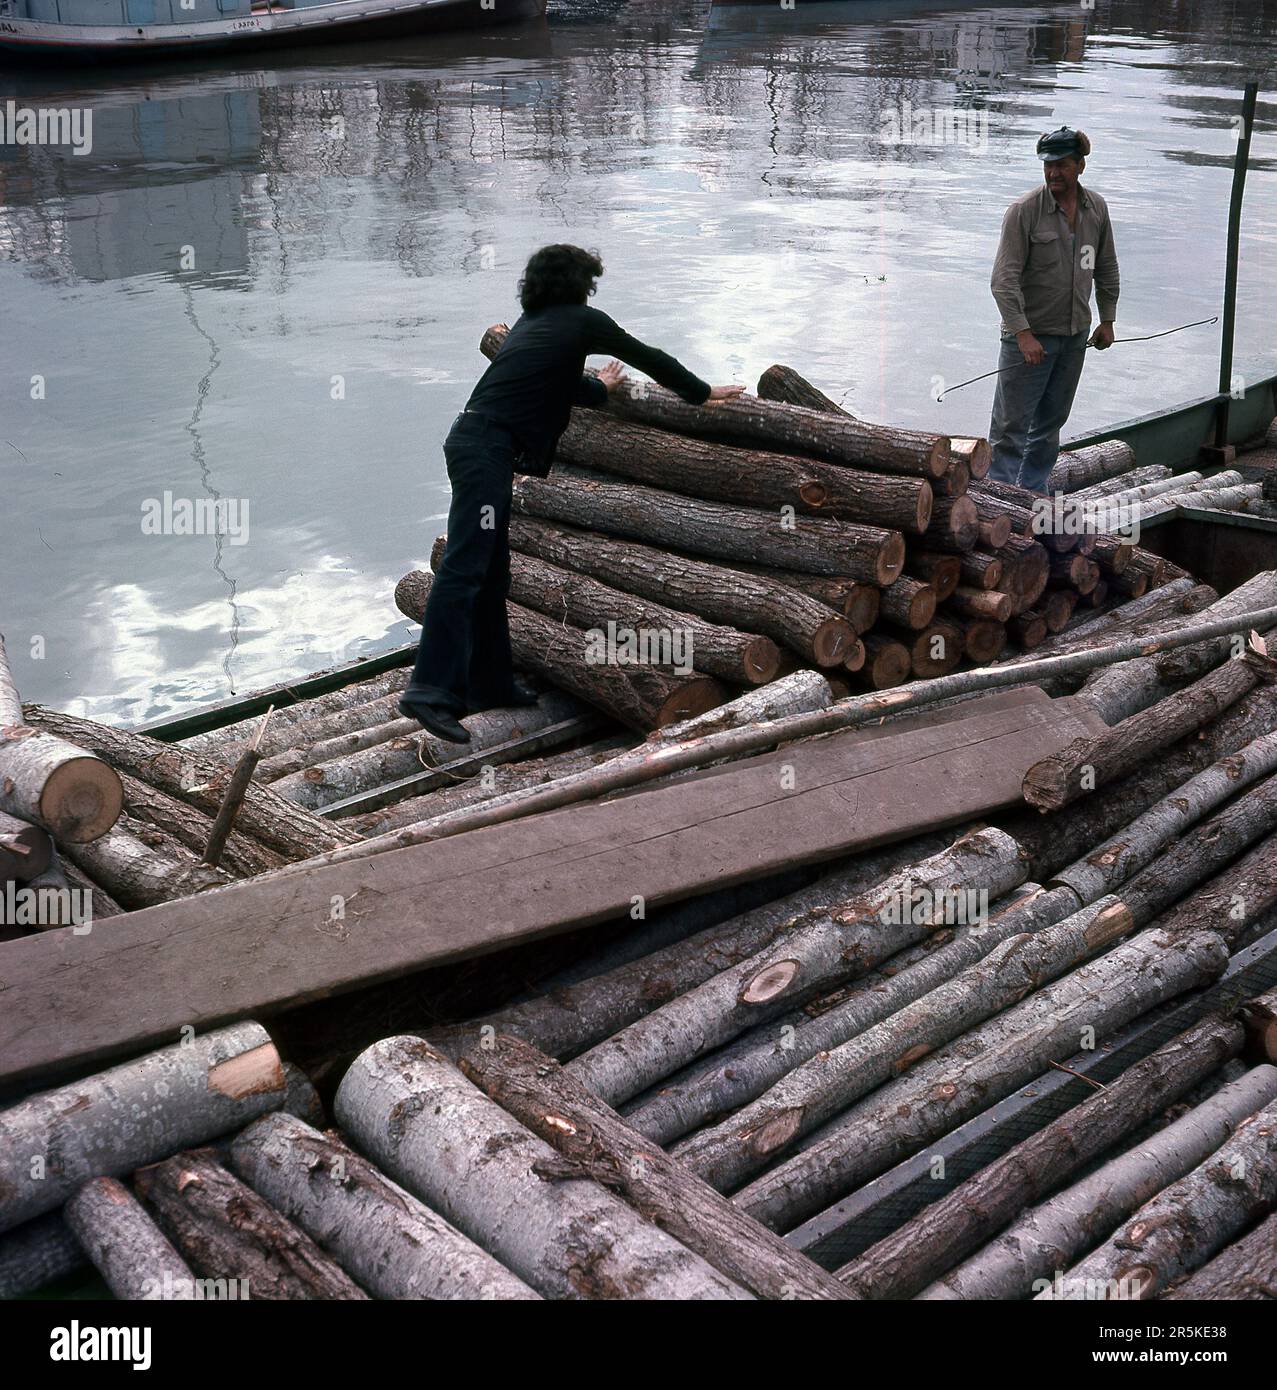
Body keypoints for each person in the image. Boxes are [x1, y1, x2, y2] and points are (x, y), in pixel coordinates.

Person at [400, 243, 744, 743]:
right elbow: (649, 357)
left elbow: (561, 383)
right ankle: (428, 692)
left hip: (476, 444)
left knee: (492, 572)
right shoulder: (583, 320)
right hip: (485, 451)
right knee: (465, 567)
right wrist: (702, 391)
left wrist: (600, 387)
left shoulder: (533, 323)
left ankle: (489, 683)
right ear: (582, 283)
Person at [988, 127, 1120, 494]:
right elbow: (1003, 280)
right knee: (1009, 430)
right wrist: (1023, 333)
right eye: (1048, 165)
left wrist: (1107, 319)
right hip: (1028, 341)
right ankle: (998, 500)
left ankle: (1032, 496)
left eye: (1061, 165)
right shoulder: (1023, 212)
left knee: (1049, 426)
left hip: (1075, 336)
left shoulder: (1097, 209)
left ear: (1080, 165)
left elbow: (1106, 267)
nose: (1053, 173)